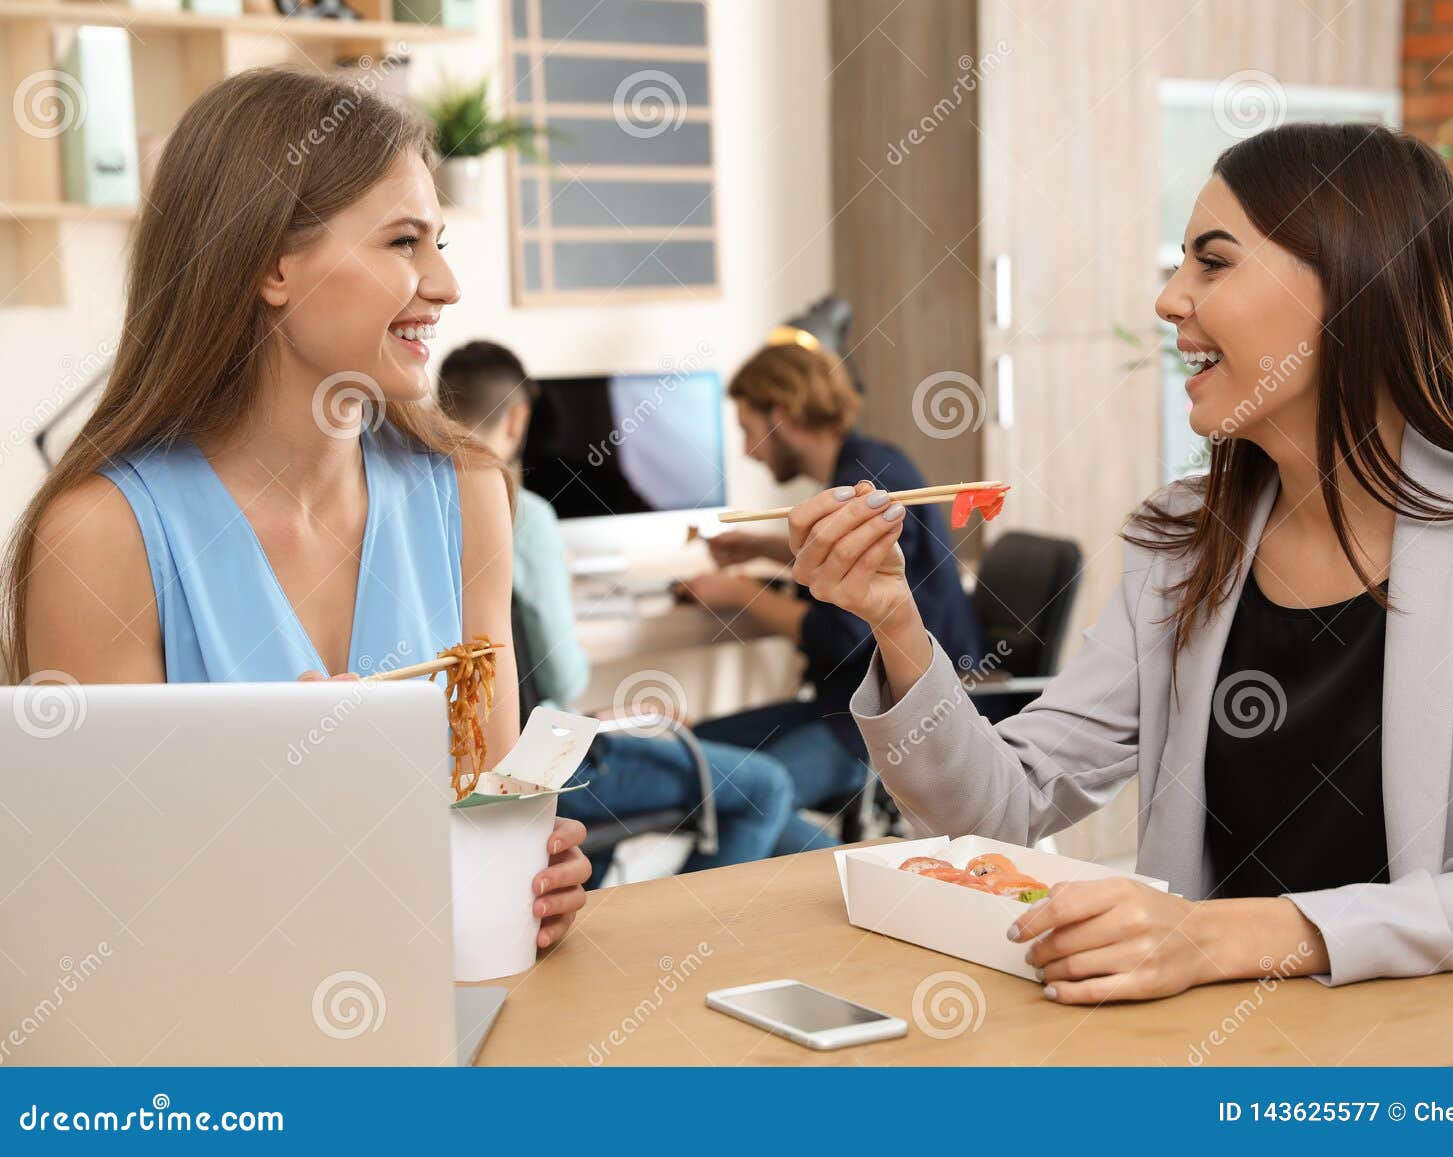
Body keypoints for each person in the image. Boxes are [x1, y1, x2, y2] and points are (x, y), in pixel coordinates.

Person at [784, 122, 1453, 1002]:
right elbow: (1000, 810)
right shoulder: (1181, 537)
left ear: (1354, 281)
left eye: (1213, 262)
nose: (1171, 299)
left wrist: (1213, 936)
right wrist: (895, 622)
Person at [1, 68, 591, 950]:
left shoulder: (466, 495)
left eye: (439, 241)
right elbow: (102, 913)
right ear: (272, 265)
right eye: (402, 242)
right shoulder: (104, 536)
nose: (444, 284)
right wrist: (291, 798)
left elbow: (486, 815)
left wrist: (531, 883)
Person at [435, 340, 836, 883]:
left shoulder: (421, 504)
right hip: (546, 763)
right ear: (518, 419)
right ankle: (696, 941)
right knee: (765, 790)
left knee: (784, 825)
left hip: (456, 772)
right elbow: (563, 677)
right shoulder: (520, 513)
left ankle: (839, 877)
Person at [682, 337, 984, 843]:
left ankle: (856, 879)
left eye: (748, 431)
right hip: (835, 703)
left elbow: (839, 635)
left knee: (745, 798)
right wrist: (760, 548)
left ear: (781, 414)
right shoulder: (868, 464)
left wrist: (738, 596)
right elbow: (846, 570)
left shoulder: (866, 483)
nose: (746, 450)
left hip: (881, 720)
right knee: (686, 752)